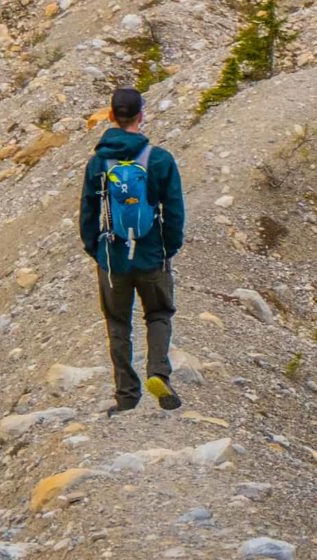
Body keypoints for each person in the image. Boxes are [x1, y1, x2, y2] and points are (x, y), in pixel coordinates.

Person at [79, 84, 185, 414]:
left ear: (111, 116)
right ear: (141, 115)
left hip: (113, 258)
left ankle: (126, 394)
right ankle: (159, 374)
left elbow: (87, 212)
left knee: (118, 324)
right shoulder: (159, 160)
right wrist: (168, 248)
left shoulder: (98, 163)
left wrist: (95, 248)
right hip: (151, 253)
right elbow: (174, 210)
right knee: (158, 313)